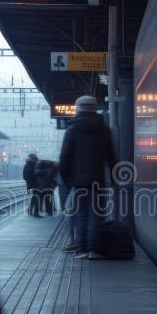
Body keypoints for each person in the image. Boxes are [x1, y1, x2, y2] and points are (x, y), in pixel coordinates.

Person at [59, 96, 116, 259]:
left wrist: (66, 178)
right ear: (94, 108)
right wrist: (114, 178)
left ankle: (83, 249)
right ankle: (94, 250)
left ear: (78, 109)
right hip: (98, 179)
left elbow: (65, 157)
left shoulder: (72, 129)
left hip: (78, 182)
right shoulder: (104, 129)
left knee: (81, 214)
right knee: (97, 214)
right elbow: (110, 156)